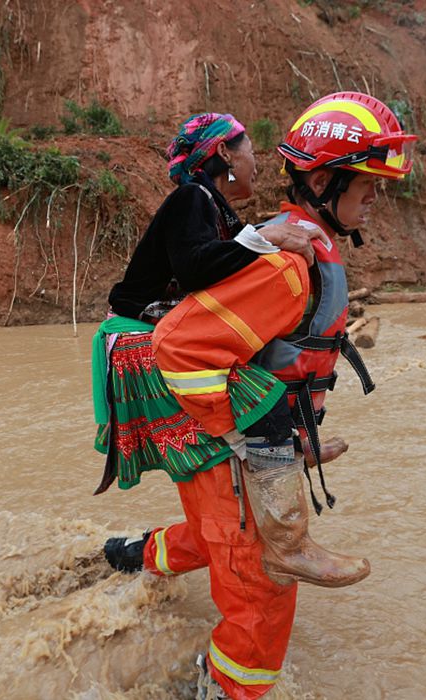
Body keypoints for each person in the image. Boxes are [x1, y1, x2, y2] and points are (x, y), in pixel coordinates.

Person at [116, 92, 418, 699]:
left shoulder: (297, 248)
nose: (376, 198)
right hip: (223, 446)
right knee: (261, 591)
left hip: (210, 444)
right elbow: (180, 347)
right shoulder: (286, 264)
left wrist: (291, 439)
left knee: (212, 536)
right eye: (369, 184)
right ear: (326, 180)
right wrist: (245, 437)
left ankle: (126, 558)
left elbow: (267, 355)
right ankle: (227, 690)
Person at [91, 112, 326, 501]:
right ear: (225, 154)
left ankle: (273, 466)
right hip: (141, 342)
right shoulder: (192, 198)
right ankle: (276, 497)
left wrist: (280, 234)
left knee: (262, 401)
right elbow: (195, 269)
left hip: (168, 340)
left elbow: (233, 259)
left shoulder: (217, 211)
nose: (256, 163)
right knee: (262, 398)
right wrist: (267, 235)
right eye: (250, 151)